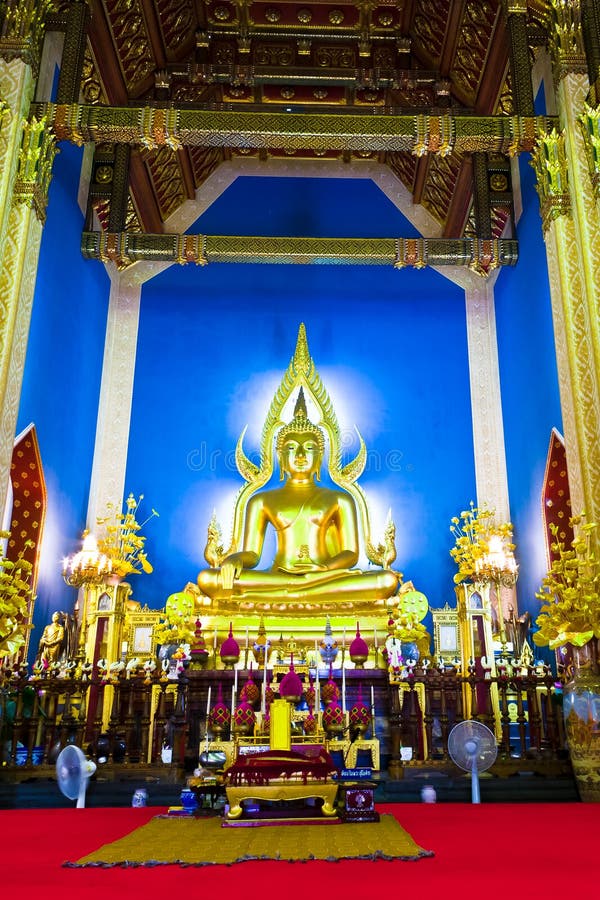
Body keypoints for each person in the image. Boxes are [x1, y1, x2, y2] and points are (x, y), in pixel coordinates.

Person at [198, 389, 399, 607]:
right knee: (208, 579)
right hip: (278, 575)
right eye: (292, 448)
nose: (301, 455)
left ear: (321, 456)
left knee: (386, 580)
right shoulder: (261, 500)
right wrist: (234, 559)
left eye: (309, 448)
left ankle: (290, 593)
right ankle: (296, 591)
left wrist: (324, 569)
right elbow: (253, 554)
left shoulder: (340, 499)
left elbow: (351, 553)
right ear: (281, 458)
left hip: (324, 577)